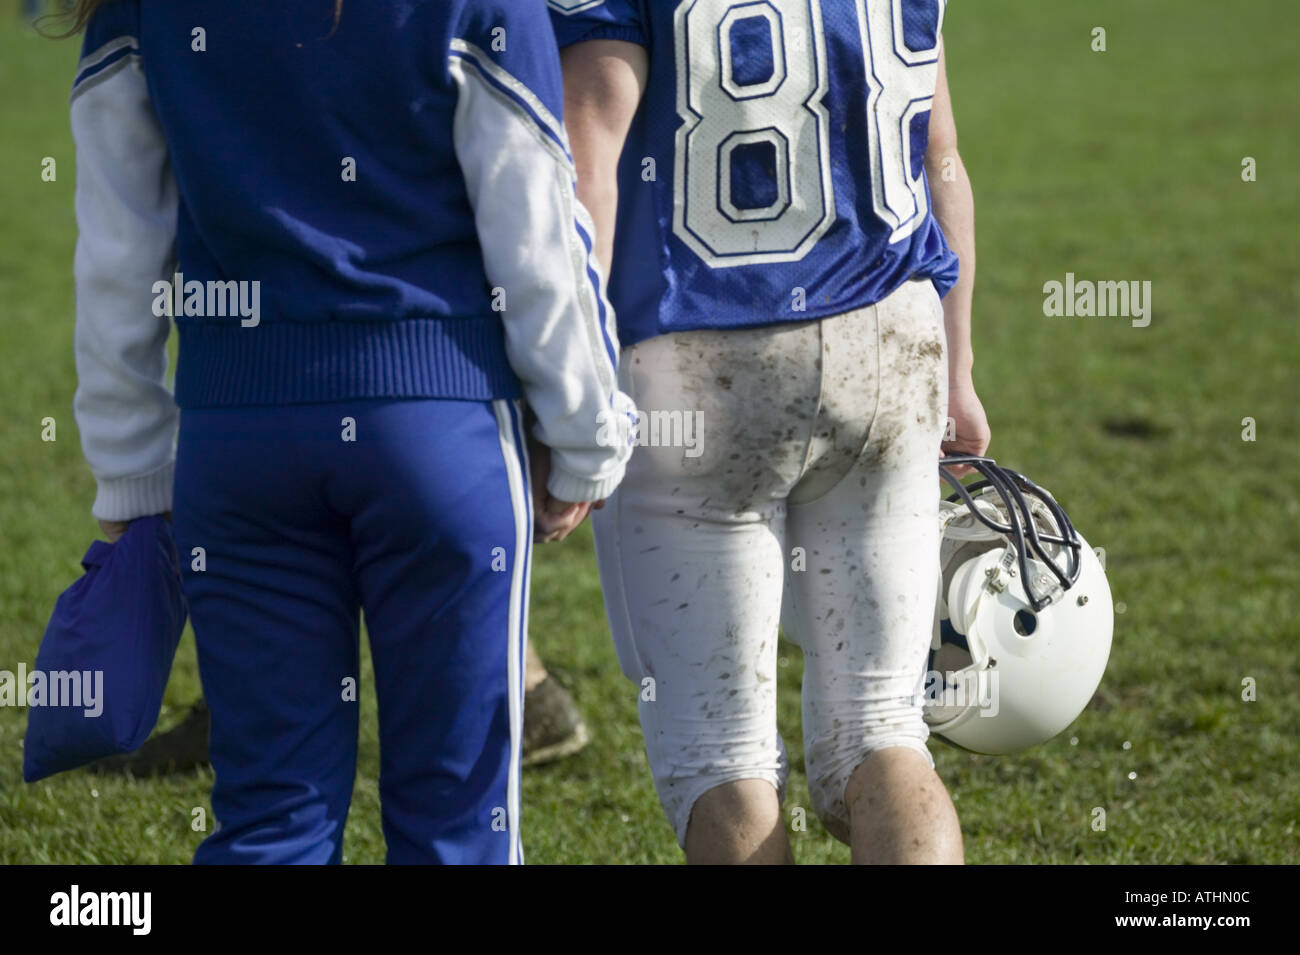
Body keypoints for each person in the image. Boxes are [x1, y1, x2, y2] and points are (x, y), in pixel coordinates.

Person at [66, 0, 630, 863]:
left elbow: (115, 256)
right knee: (456, 827)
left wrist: (129, 469)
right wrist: (584, 429)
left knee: (267, 823)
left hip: (237, 441)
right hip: (440, 437)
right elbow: (539, 232)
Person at [548, 0, 990, 863]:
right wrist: (960, 363)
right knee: (882, 728)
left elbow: (587, 152)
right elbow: (942, 157)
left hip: (700, 344)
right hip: (893, 330)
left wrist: (568, 380)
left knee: (721, 759)